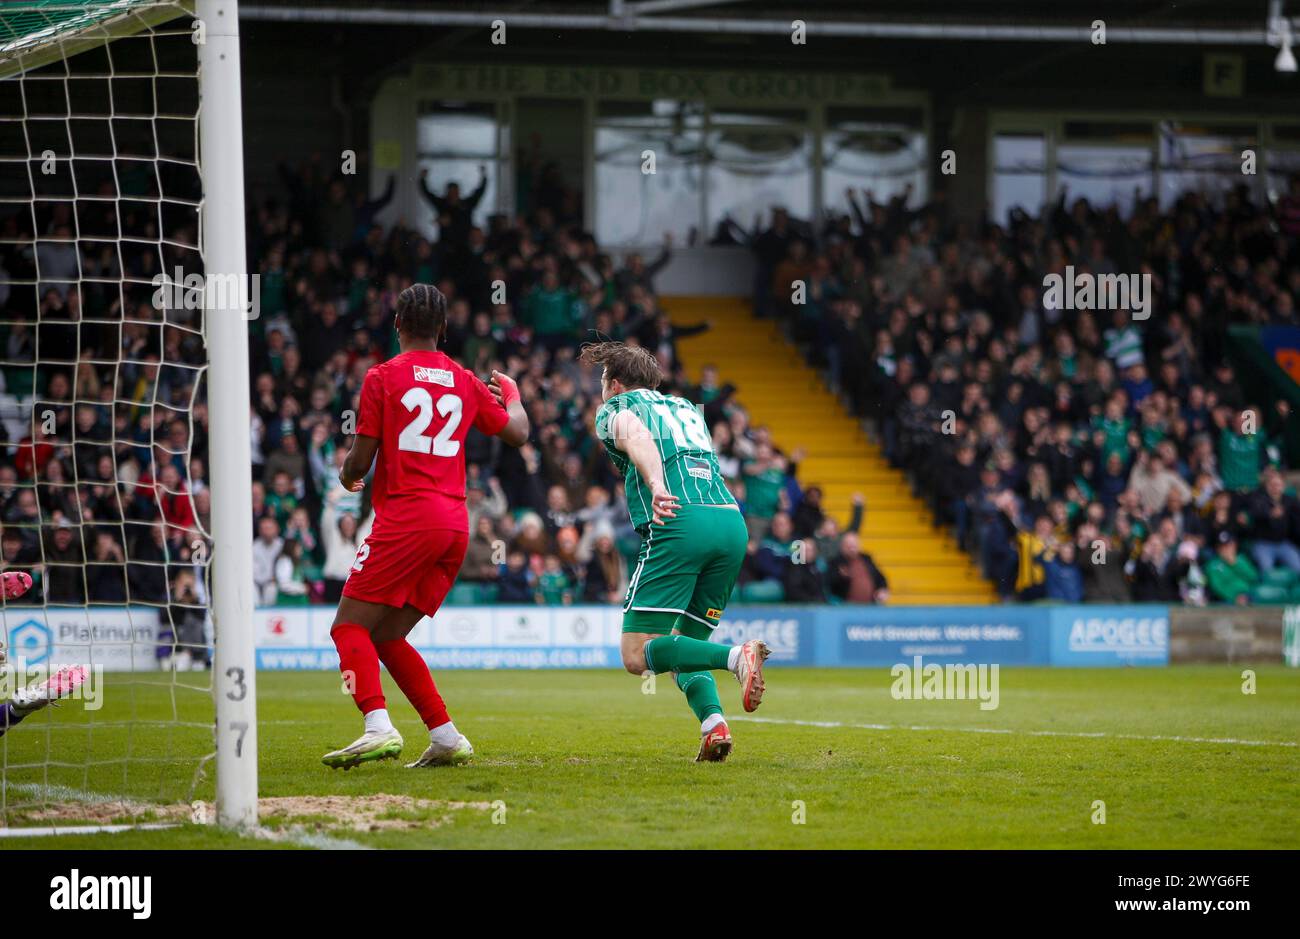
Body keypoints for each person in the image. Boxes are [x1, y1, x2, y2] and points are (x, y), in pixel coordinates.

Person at [321, 284, 529, 771]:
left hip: (407, 520)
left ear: (397, 326)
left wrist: (348, 475)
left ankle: (377, 726)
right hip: (454, 526)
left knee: (349, 626)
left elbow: (362, 458)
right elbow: (518, 433)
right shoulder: (462, 378)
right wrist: (514, 396)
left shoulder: (382, 376)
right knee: (388, 637)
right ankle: (446, 736)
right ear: (444, 328)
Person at [582, 340, 769, 763]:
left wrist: (656, 483)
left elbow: (636, 435)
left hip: (679, 522)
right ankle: (713, 726)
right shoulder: (686, 408)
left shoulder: (616, 407)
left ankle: (738, 656)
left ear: (615, 384)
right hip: (728, 522)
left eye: (602, 381)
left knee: (635, 654)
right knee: (683, 647)